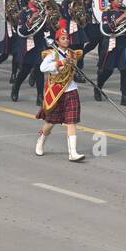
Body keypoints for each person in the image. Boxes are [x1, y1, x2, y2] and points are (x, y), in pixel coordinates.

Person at [35, 21, 85, 161]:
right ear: (57, 41)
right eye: (63, 38)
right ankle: (41, 139)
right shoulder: (52, 54)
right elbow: (42, 68)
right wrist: (59, 64)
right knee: (51, 122)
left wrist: (73, 64)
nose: (66, 40)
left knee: (71, 121)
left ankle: (73, 153)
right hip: (56, 91)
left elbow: (74, 67)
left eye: (67, 38)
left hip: (71, 88)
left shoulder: (72, 53)